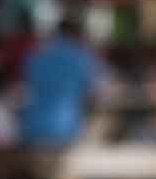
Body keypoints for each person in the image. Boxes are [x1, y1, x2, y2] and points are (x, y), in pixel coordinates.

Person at [18, 14, 105, 149]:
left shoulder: (36, 56)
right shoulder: (83, 59)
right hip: (68, 130)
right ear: (78, 34)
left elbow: (24, 88)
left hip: (33, 127)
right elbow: (96, 94)